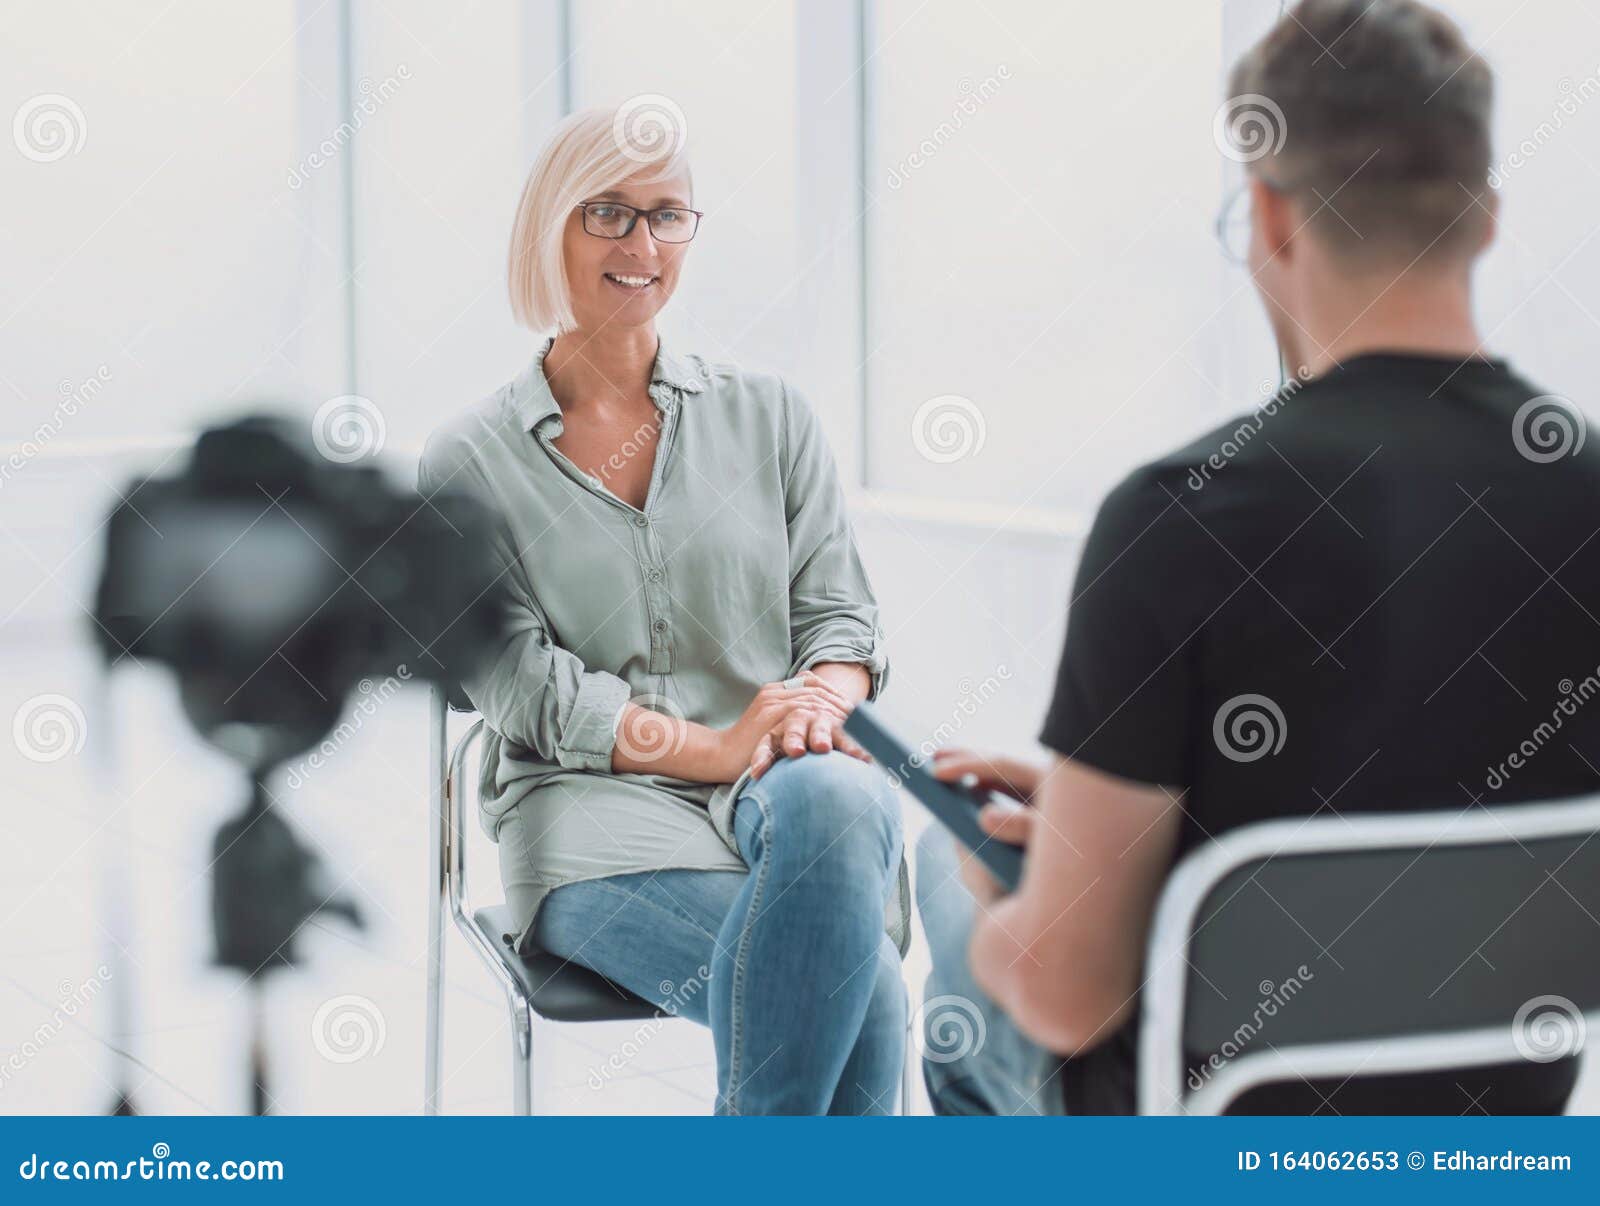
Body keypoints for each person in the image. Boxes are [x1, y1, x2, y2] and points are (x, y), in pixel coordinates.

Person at [918, 0, 1600, 1115]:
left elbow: (1068, 996)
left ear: (1272, 218)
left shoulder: (1182, 514)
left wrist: (1004, 896)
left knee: (957, 903)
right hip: (1498, 1139)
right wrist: (1127, 825)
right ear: (1484, 216)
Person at [419, 105, 909, 1115]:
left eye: (667, 215)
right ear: (550, 227)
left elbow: (839, 617)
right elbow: (522, 687)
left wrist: (818, 707)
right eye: (608, 213)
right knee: (858, 999)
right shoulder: (469, 458)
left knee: (843, 794)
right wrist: (716, 748)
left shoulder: (771, 415)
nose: (642, 246)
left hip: (772, 784)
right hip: (591, 818)